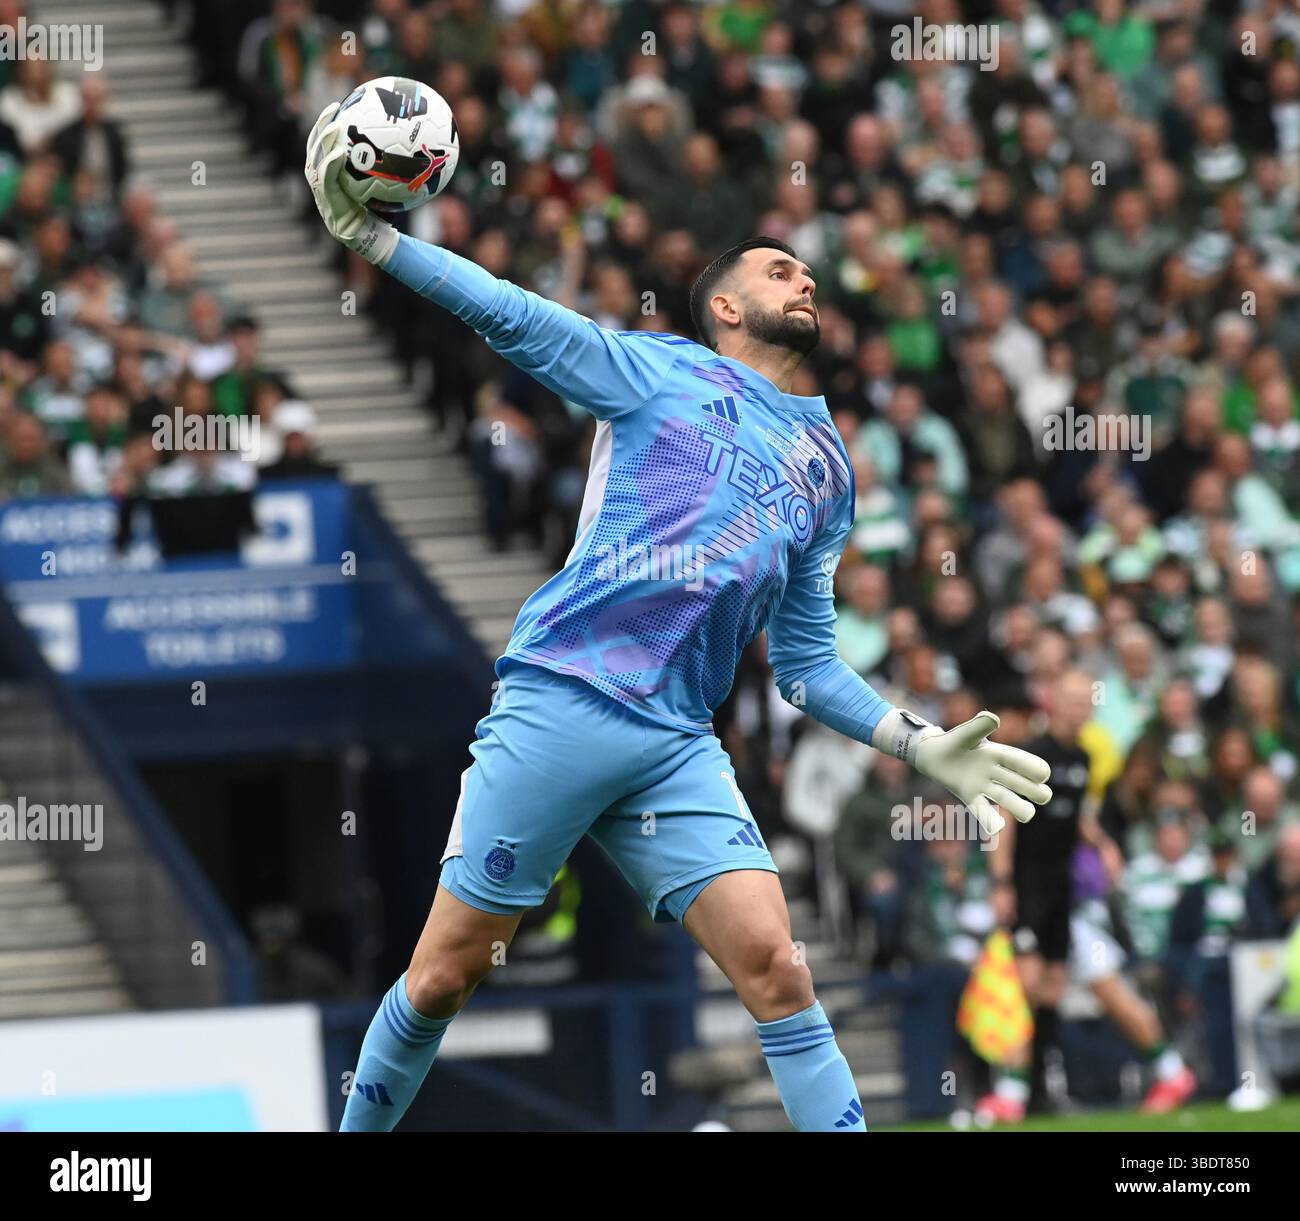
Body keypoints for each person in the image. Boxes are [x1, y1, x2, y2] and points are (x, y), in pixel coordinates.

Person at [304, 103, 1054, 1133]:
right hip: (566, 696)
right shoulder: (656, 369)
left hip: (673, 743)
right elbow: (511, 314)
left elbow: (804, 668)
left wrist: (917, 746)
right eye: (779, 268)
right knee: (444, 977)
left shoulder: (827, 469)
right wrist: (376, 240)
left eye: (807, 271)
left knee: (779, 967)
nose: (805, 278)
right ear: (726, 310)